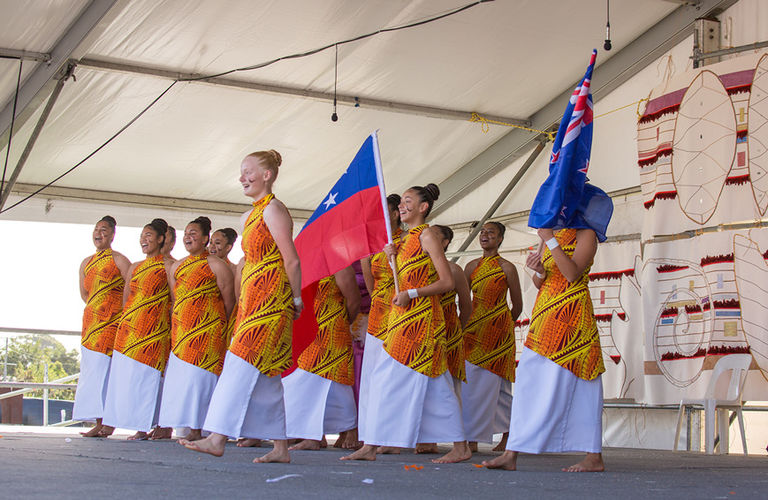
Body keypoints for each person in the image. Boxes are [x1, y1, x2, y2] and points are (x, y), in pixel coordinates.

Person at [182, 149, 302, 464]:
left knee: (239, 362)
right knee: (267, 374)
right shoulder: (248, 215)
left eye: (249, 171)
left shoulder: (274, 210)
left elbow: (291, 258)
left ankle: (217, 437)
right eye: (241, 172)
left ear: (267, 175)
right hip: (252, 299)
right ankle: (281, 448)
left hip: (272, 299)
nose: (242, 177)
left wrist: (296, 297)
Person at [343, 184, 470, 463]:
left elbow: (446, 281)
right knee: (430, 382)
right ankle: (374, 444)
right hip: (400, 319)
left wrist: (413, 293)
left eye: (408, 201)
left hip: (422, 320)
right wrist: (391, 259)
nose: (402, 205)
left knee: (395, 378)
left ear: (423, 208)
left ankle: (374, 445)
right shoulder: (403, 241)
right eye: (401, 201)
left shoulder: (427, 235)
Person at [482, 226, 605, 472]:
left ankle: (594, 455)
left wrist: (549, 240)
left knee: (584, 382)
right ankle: (511, 452)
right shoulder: (549, 233)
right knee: (528, 379)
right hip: (545, 312)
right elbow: (541, 281)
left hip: (573, 315)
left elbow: (571, 274)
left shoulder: (586, 234)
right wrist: (538, 269)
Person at [158, 216, 235, 441]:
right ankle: (181, 425)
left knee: (201, 381)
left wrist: (214, 326)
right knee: (183, 381)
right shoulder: (177, 266)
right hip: (182, 334)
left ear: (205, 239)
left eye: (194, 234)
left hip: (208, 335)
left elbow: (229, 302)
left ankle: (200, 428)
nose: (188, 238)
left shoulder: (217, 265)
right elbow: (176, 298)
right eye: (186, 234)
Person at [102, 218, 173, 440]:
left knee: (149, 379)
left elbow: (174, 299)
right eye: (142, 236)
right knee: (129, 378)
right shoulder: (135, 267)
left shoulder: (169, 265)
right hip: (130, 330)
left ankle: (150, 427)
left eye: (149, 236)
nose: (144, 239)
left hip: (155, 331)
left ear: (161, 239)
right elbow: (126, 300)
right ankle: (132, 423)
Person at [282, 266, 360, 450]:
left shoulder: (339, 263)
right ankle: (316, 433)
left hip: (332, 327)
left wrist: (339, 321)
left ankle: (349, 429)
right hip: (307, 326)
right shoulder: (304, 261)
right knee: (317, 381)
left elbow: (353, 300)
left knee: (335, 379)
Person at [461, 222, 522, 452]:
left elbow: (517, 306)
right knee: (471, 386)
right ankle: (472, 439)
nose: (485, 236)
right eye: (483, 233)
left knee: (502, 388)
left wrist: (500, 327)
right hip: (473, 332)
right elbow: (465, 301)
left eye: (491, 233)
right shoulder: (471, 266)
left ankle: (508, 438)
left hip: (499, 336)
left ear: (500, 239)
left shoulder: (507, 267)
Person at [413, 225, 472, 455]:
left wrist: (456, 331)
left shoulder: (454, 270)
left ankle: (459, 442)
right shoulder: (417, 266)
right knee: (425, 385)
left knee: (448, 386)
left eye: (435, 235)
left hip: (447, 331)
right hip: (422, 331)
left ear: (445, 242)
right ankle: (425, 437)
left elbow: (466, 307)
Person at [73, 216, 131, 438]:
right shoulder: (86, 262)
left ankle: (108, 422)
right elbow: (84, 294)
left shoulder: (119, 260)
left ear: (113, 235)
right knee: (93, 374)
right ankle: (99, 421)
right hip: (91, 326)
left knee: (108, 374)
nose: (99, 234)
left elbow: (131, 289)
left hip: (112, 325)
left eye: (104, 230)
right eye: (96, 229)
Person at [357, 194, 402, 450]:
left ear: (396, 213)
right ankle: (371, 435)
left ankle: (395, 436)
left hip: (403, 313)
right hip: (379, 314)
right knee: (373, 377)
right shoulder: (370, 244)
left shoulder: (408, 241)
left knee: (394, 377)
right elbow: (371, 283)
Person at [209, 228, 239, 347]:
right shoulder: (201, 266)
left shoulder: (235, 270)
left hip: (225, 322)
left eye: (217, 243)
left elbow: (232, 302)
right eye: (211, 242)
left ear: (228, 247)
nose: (212, 247)